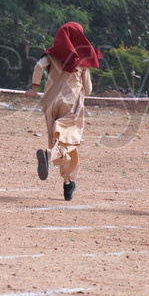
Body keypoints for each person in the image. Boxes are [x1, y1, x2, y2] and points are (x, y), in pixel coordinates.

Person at [24, 22, 101, 201]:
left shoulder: (52, 55)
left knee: (60, 140)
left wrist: (34, 89)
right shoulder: (82, 59)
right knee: (68, 139)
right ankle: (49, 155)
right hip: (71, 102)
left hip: (50, 102)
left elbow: (37, 66)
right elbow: (88, 89)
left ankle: (68, 182)